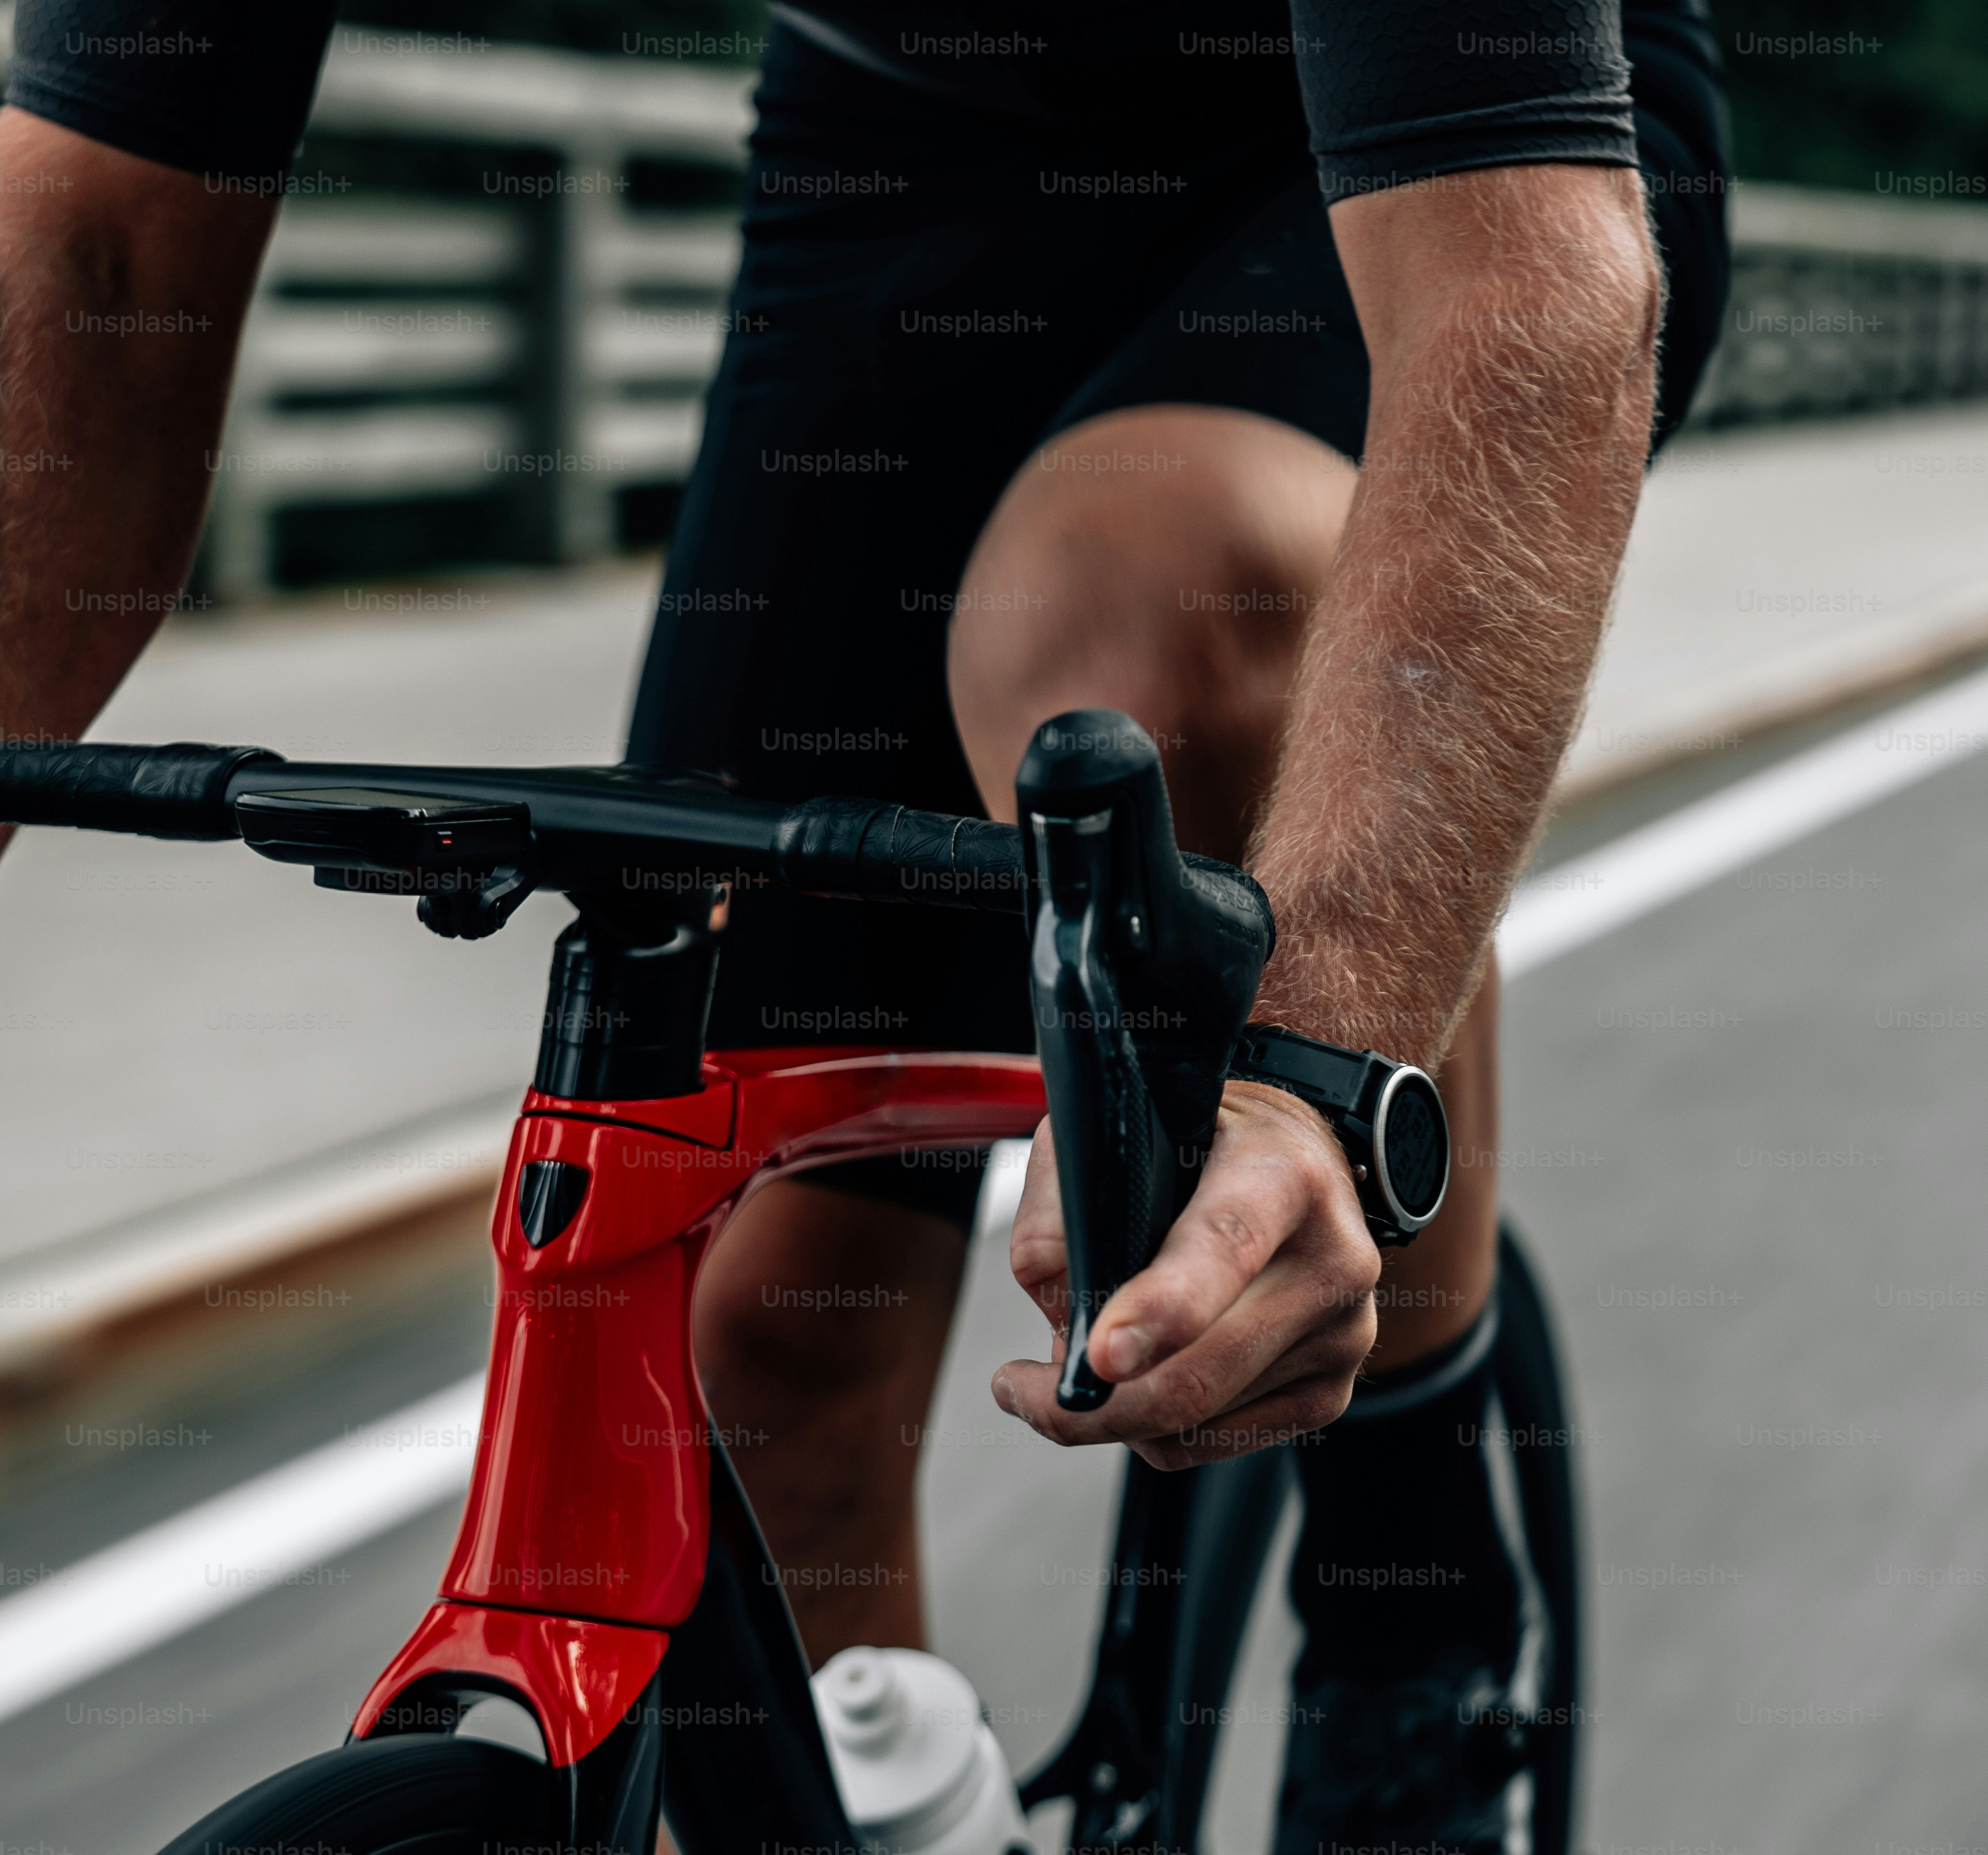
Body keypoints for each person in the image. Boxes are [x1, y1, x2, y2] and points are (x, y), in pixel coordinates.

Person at [0, 1, 1727, 1842]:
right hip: (910, 152)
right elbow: (93, 246)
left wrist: (1313, 1057)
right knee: (754, 1354)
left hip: (1454, 154)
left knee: (1150, 629)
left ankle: (1412, 1600)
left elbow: (1518, 298)